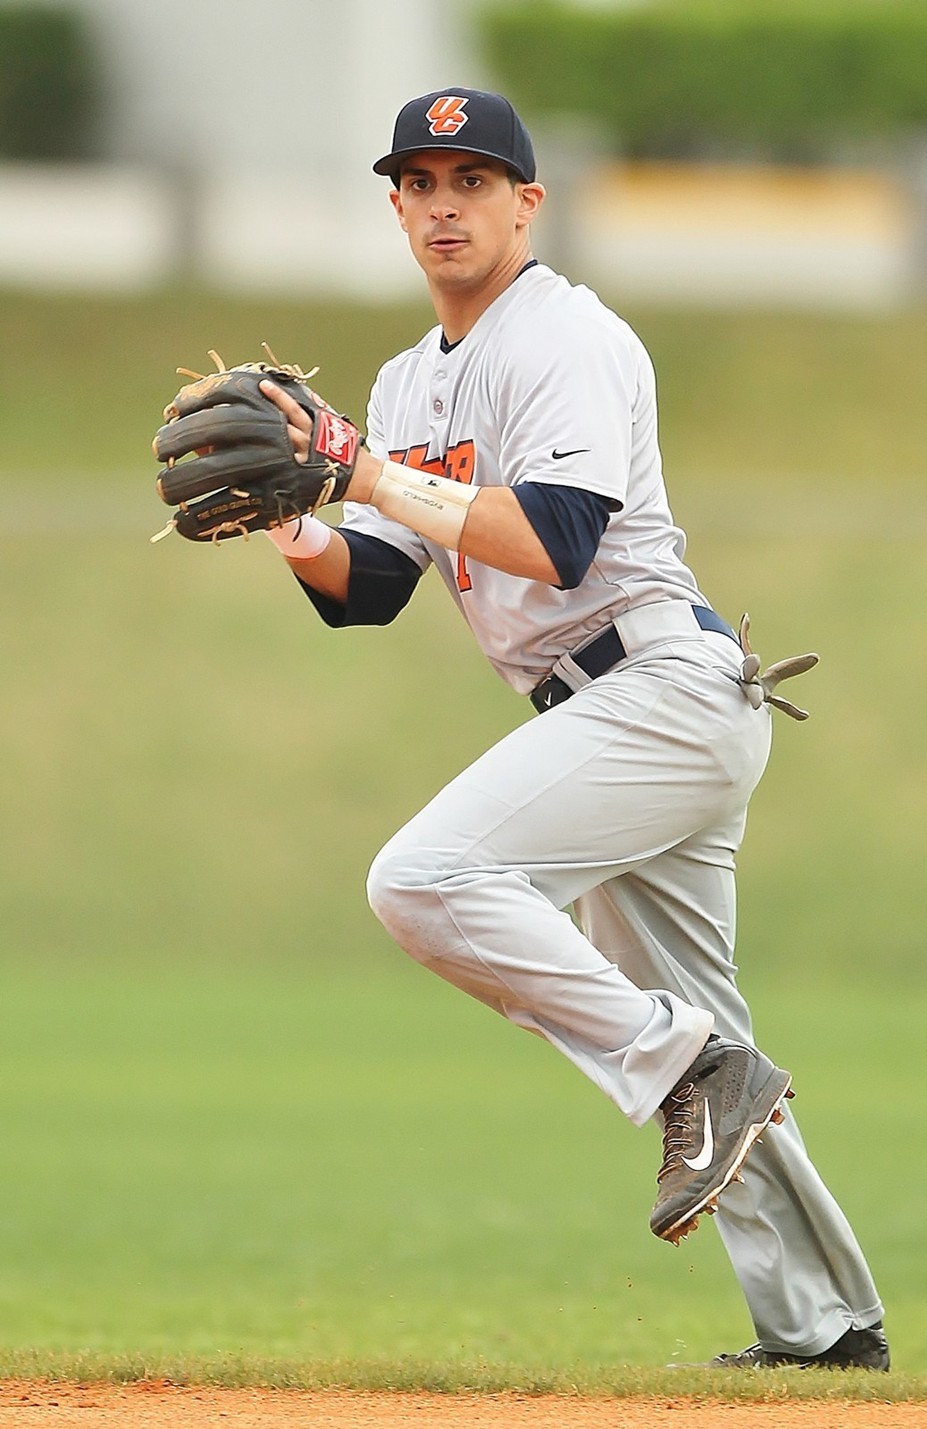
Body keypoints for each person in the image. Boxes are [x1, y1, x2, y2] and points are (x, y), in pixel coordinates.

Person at [258, 87, 888, 1370]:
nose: (445, 204)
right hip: (609, 713)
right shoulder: (403, 377)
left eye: (472, 180)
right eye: (420, 183)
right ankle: (827, 1334)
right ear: (396, 206)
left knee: (426, 881)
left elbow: (554, 540)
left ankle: (685, 1073)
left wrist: (364, 470)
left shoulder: (570, 339)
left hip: (660, 691)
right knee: (703, 1012)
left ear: (525, 203)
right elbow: (370, 590)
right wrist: (293, 518)